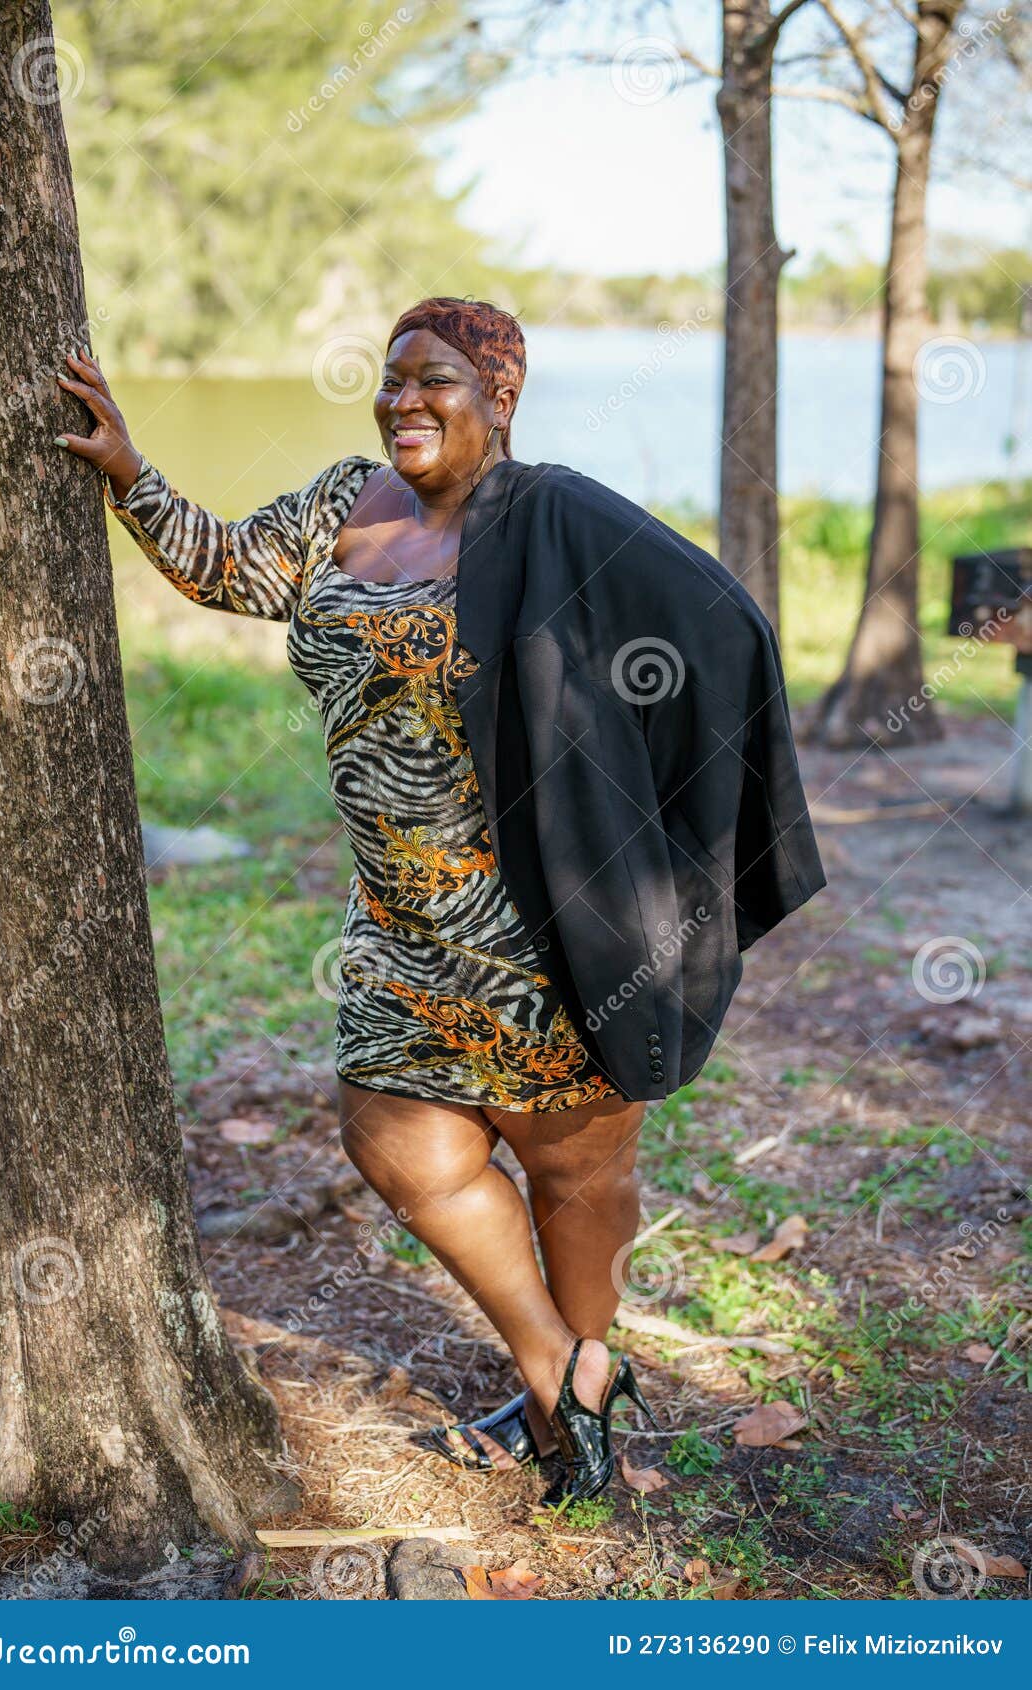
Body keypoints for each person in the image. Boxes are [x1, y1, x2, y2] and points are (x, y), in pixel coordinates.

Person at [54, 295, 823, 1506]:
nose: (405, 400)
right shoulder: (340, 505)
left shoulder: (552, 515)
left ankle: (577, 1382)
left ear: (500, 397)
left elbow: (721, 627)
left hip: (543, 925)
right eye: (394, 376)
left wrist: (677, 824)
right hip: (397, 924)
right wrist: (129, 472)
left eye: (437, 380)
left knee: (574, 1172)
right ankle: (561, 1368)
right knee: (391, 1139)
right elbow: (224, 567)